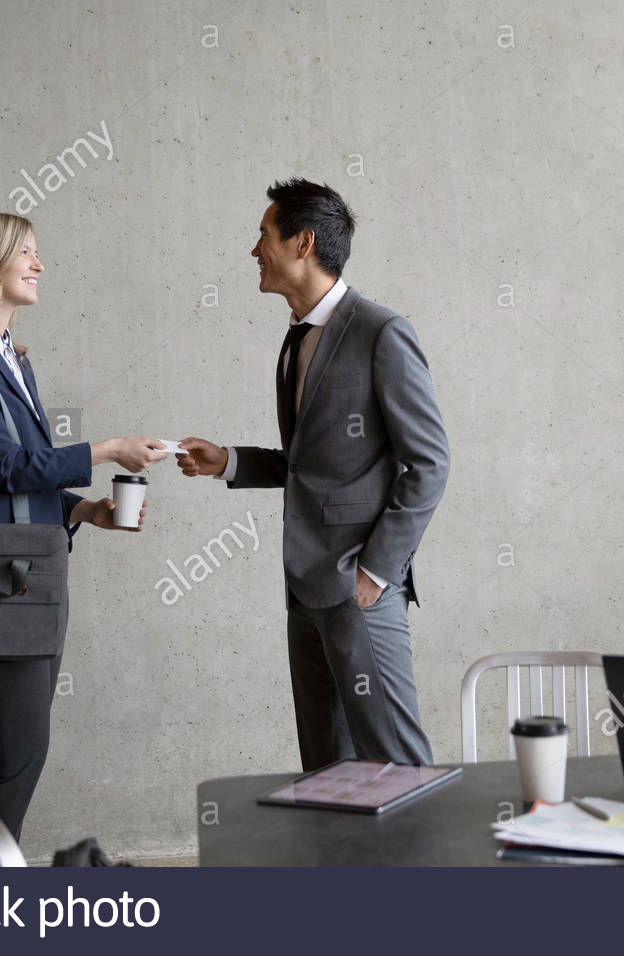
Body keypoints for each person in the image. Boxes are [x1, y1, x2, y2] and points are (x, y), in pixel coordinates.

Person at [0, 211, 166, 843]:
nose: (39, 263)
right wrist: (107, 450)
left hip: (31, 574)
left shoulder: (13, 359)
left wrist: (85, 510)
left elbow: (25, 480)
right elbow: (1, 465)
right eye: (26, 251)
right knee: (16, 757)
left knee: (16, 756)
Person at [177, 179, 449, 770]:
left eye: (263, 235)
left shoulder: (382, 332)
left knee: (396, 766)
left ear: (302, 243)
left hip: (359, 588)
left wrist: (376, 571)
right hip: (304, 587)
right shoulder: (295, 340)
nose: (254, 250)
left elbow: (428, 463)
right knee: (327, 769)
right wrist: (228, 461)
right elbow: (309, 462)